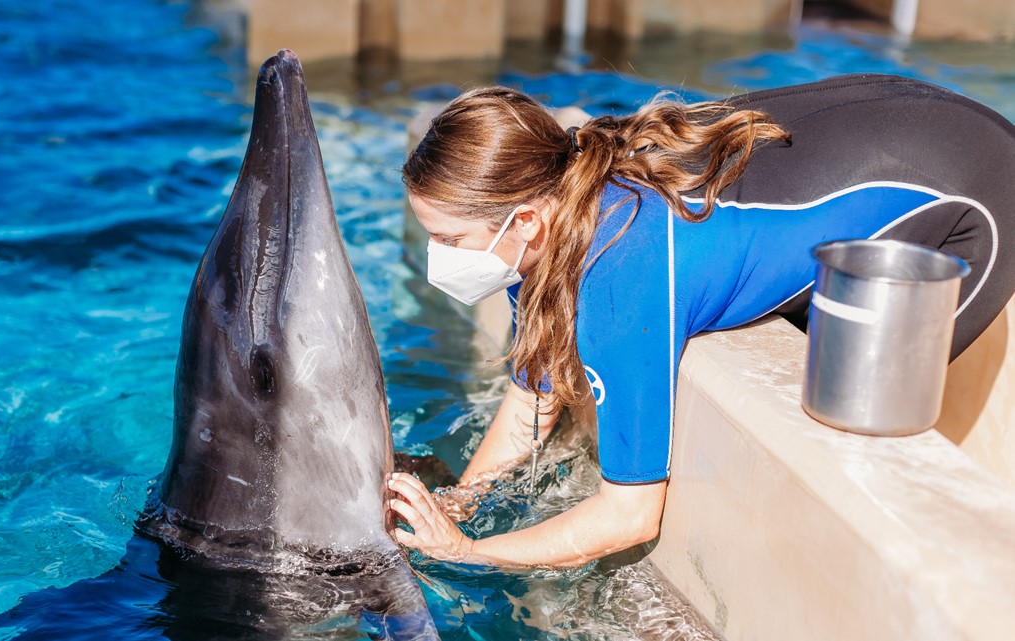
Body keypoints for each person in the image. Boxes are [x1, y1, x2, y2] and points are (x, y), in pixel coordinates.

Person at [386, 73, 1015, 569]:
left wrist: (468, 552)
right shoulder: (557, 201)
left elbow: (629, 517)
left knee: (856, 417)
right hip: (901, 121)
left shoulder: (619, 277)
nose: (442, 256)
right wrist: (458, 506)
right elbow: (533, 394)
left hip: (978, 187)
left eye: (450, 239)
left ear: (524, 219)